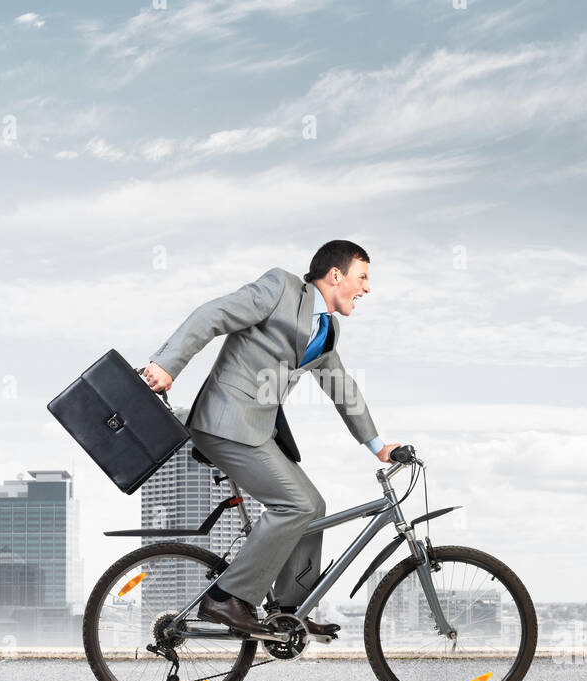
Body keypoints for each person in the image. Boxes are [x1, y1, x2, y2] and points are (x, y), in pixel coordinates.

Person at [142, 240, 400, 639]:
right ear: (336, 275)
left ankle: (289, 608)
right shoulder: (280, 289)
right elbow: (214, 314)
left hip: (257, 430)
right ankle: (227, 597)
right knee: (294, 503)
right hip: (224, 422)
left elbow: (343, 389)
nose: (366, 288)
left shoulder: (326, 330)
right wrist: (166, 363)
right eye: (362, 277)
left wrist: (378, 446)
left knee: (313, 507)